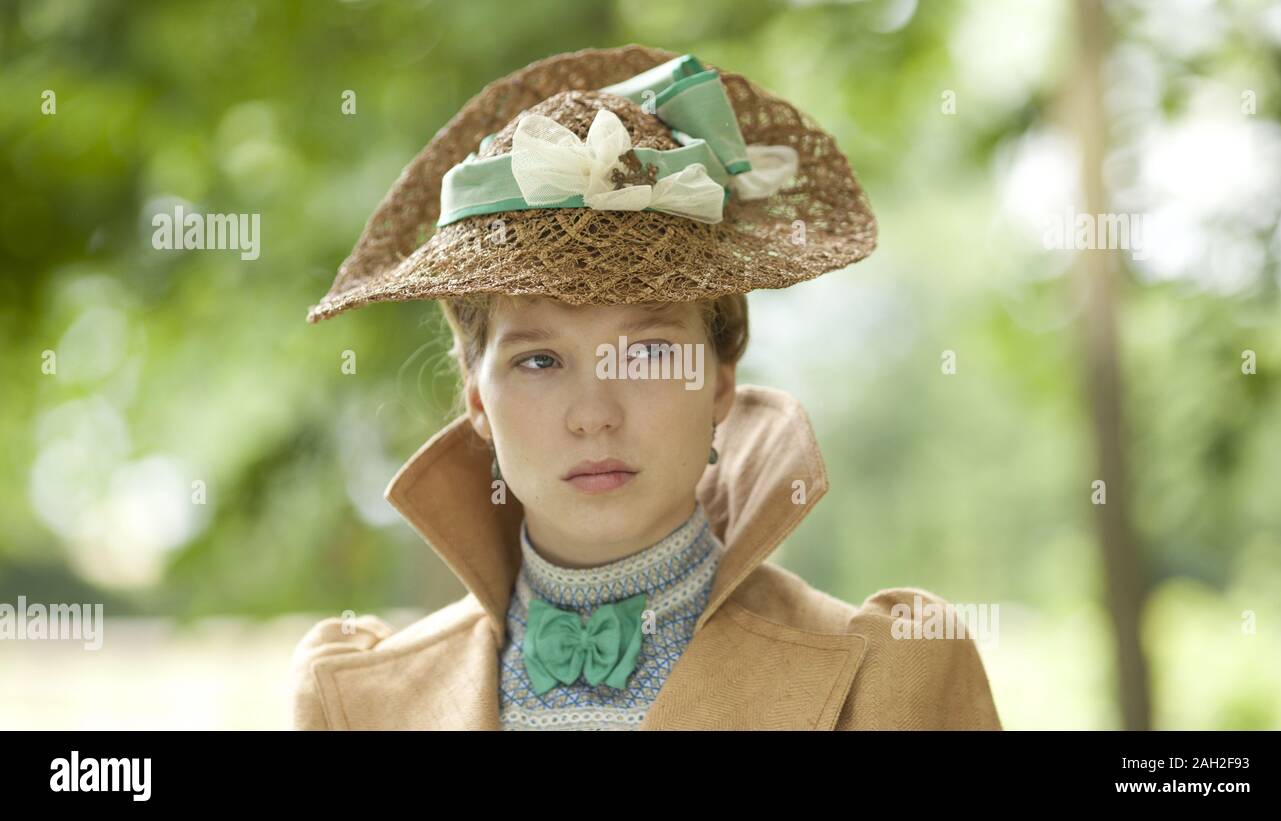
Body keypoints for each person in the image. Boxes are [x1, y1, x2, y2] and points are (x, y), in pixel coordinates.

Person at [291, 44, 1000, 730]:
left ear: (721, 379)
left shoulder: (888, 682)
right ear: (477, 397)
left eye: (650, 354)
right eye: (539, 361)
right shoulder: (358, 707)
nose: (595, 414)